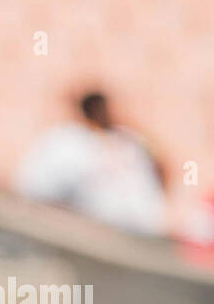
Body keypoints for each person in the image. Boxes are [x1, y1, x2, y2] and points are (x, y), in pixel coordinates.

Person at [14, 91, 167, 237]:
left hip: (130, 235)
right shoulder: (69, 141)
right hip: (79, 230)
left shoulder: (128, 144)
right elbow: (39, 186)